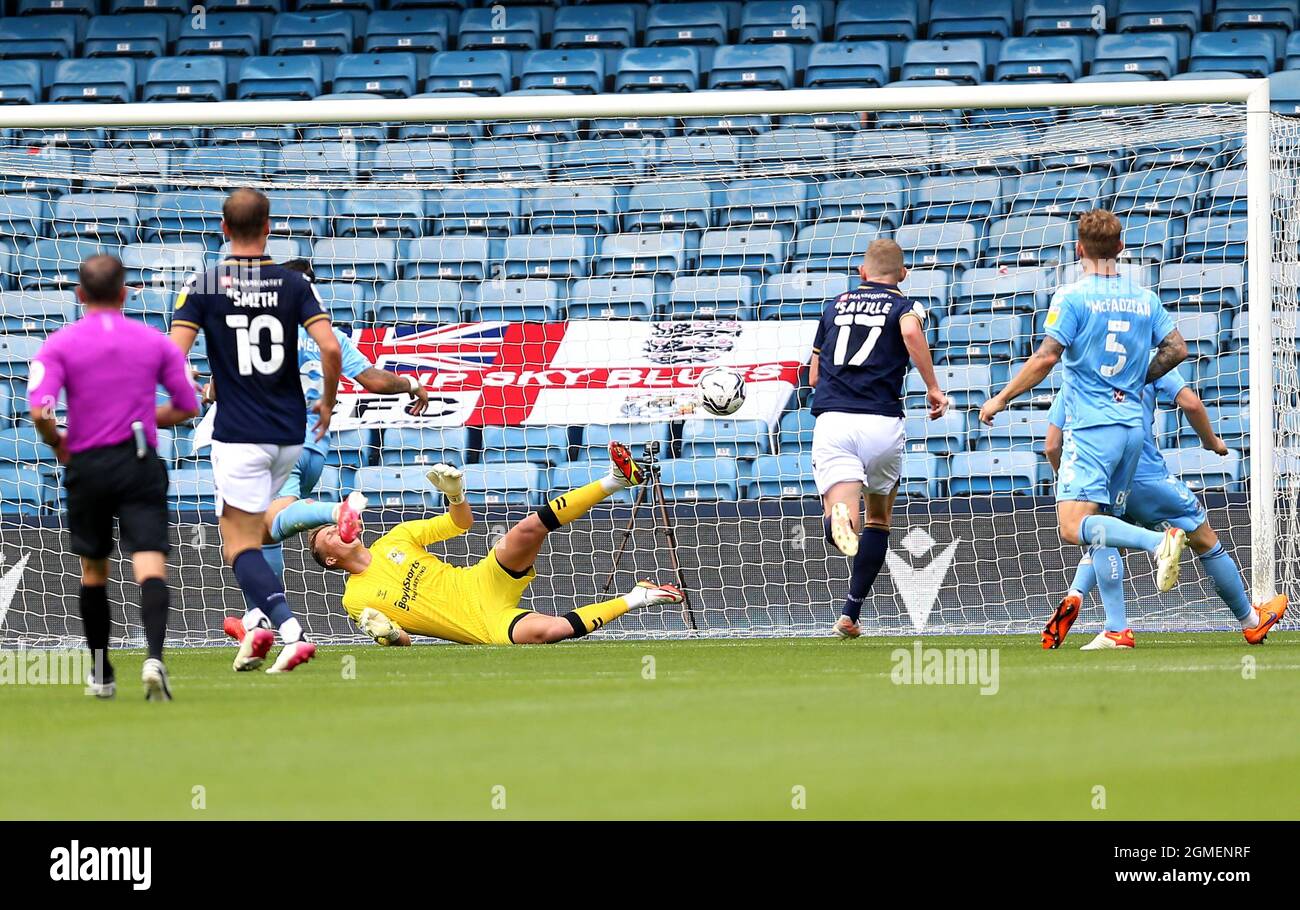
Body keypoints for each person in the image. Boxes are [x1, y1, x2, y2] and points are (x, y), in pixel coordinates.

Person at [979, 209, 1190, 651]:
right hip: (1133, 426)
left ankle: (1159, 542)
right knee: (1102, 524)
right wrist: (1138, 380)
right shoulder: (1143, 298)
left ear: (1078, 249)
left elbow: (1046, 358)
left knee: (1075, 526)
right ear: (1121, 247)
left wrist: (1001, 397)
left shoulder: (1071, 297)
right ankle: (1117, 628)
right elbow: (1176, 349)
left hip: (1092, 427)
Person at [169, 187, 348, 674]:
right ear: (268, 228)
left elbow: (170, 356)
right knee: (265, 534)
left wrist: (194, 390)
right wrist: (328, 403)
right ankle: (253, 626)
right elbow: (331, 351)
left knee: (238, 542)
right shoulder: (294, 285)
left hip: (240, 432)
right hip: (291, 434)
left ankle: (289, 632)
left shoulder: (206, 283)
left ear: (224, 230)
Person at [196, 258, 429, 620]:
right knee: (263, 533)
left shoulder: (257, 332)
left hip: (270, 441)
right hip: (314, 451)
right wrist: (412, 384)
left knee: (261, 525)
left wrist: (207, 390)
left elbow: (220, 388)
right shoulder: (329, 336)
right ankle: (259, 620)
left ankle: (335, 512)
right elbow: (374, 381)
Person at [305, 444, 685, 645]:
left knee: (525, 530)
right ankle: (640, 597)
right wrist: (386, 635)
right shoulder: (354, 600)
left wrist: (455, 496)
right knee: (550, 632)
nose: (333, 530)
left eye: (330, 526)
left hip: (480, 581)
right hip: (482, 625)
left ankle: (617, 480)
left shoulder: (396, 538)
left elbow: (461, 524)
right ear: (331, 561)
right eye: (325, 536)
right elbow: (404, 640)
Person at [28, 254, 199, 700]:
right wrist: (143, 416)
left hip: (87, 462)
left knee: (94, 569)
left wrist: (58, 444)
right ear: (125, 293)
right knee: (149, 562)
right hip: (138, 460)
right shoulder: (153, 341)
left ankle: (102, 672)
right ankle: (155, 657)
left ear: (80, 294)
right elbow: (187, 406)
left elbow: (39, 410)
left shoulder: (59, 344)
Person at [1042, 367, 1289, 648]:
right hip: (1146, 475)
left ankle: (1097, 611)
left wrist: (1070, 483)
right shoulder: (1146, 360)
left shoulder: (1078, 373)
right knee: (1204, 539)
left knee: (1102, 536)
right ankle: (1251, 622)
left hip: (1100, 475)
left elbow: (1051, 445)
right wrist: (1211, 441)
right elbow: (1190, 403)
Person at [807, 239, 948, 639]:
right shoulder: (905, 306)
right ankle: (850, 613)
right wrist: (933, 387)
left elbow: (815, 376)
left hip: (835, 420)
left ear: (862, 273)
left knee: (847, 517)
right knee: (879, 520)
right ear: (903, 275)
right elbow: (909, 333)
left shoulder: (834, 305)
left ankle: (840, 518)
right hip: (882, 424)